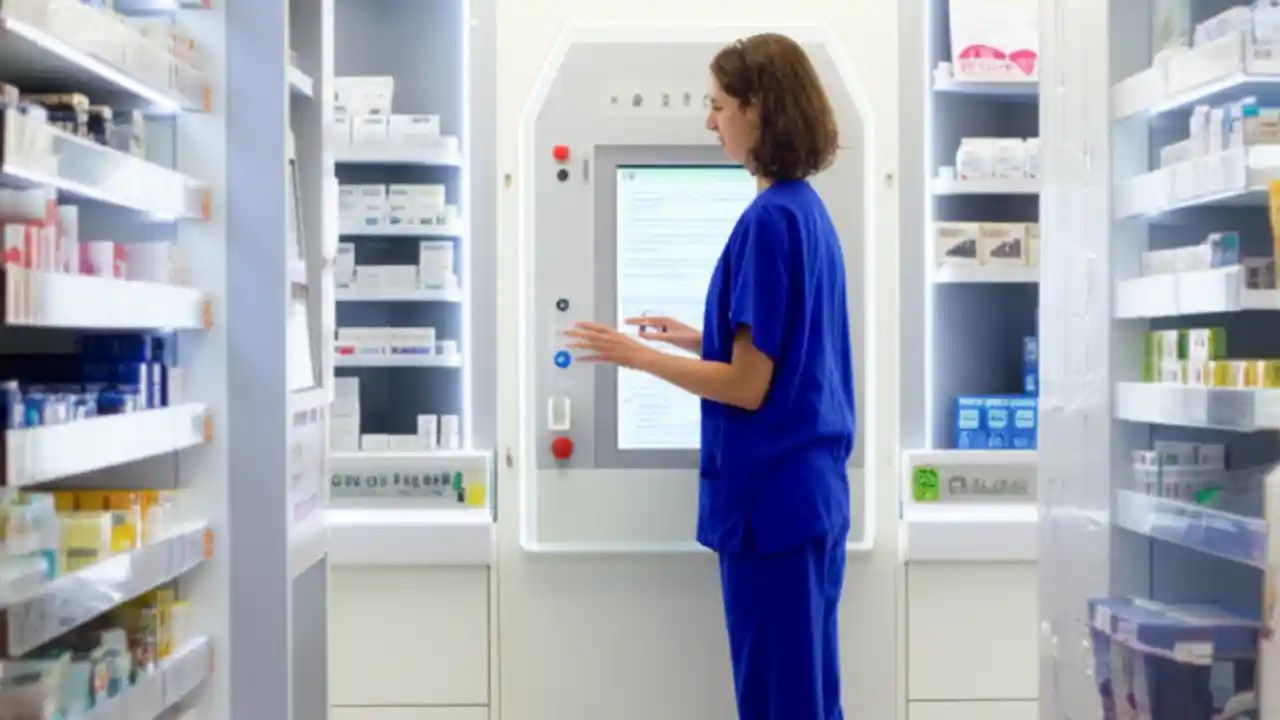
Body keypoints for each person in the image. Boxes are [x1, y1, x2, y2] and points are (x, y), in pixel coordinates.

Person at [564, 32, 854, 720]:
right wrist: (700, 338)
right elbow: (791, 354)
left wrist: (639, 358)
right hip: (809, 501)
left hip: (772, 510)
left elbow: (750, 386)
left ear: (759, 111)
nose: (709, 120)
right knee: (810, 695)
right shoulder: (806, 212)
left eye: (718, 105)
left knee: (778, 703)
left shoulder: (766, 221)